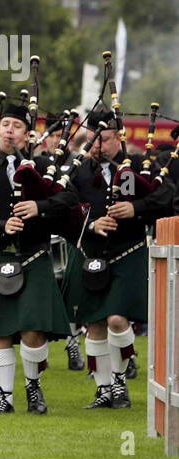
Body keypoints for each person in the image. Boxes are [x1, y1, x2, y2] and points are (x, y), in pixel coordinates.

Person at [0, 102, 77, 414]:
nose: (8, 131)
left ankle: (33, 388)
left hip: (33, 256)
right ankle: (4, 398)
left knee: (33, 330)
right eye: (4, 125)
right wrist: (1, 226)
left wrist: (38, 207)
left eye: (15, 126)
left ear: (28, 135)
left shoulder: (44, 168)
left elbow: (69, 199)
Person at [63, 111, 173, 408]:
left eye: (105, 139)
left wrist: (134, 208)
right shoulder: (79, 170)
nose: (97, 145)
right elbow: (64, 208)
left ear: (119, 137)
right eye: (91, 138)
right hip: (91, 253)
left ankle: (120, 381)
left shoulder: (140, 166)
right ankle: (103, 389)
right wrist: (92, 223)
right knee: (95, 323)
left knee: (116, 318)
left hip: (127, 251)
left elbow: (167, 198)